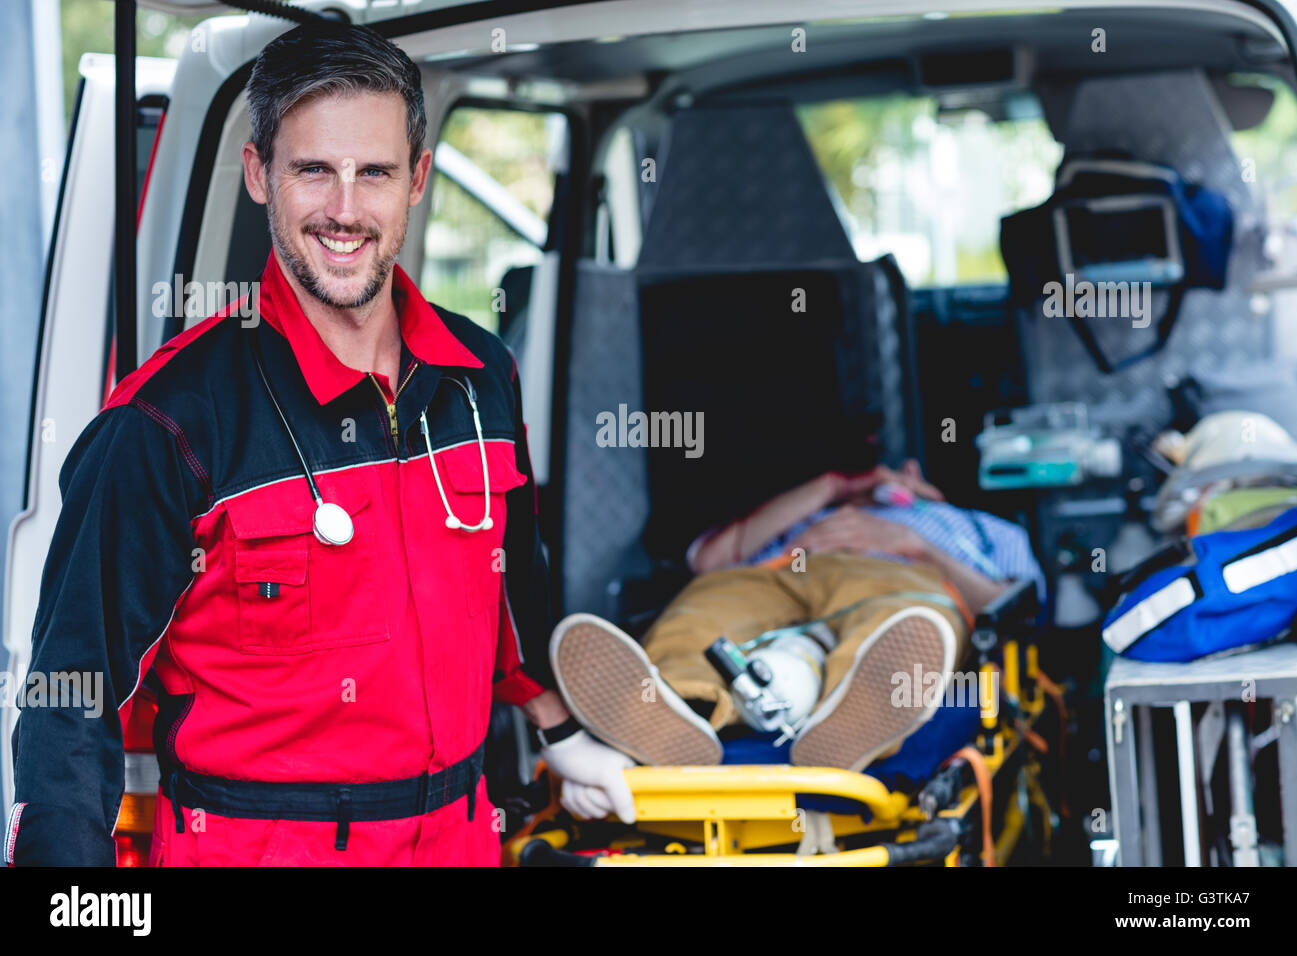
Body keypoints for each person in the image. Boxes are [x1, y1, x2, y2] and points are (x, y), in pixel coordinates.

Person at [6, 22, 632, 867]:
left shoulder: (480, 377)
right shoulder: (167, 424)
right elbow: (70, 700)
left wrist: (556, 729)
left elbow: (512, 582)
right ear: (260, 174)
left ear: (417, 180)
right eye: (313, 170)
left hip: (458, 836)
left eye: (374, 172)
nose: (345, 210)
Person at [547, 461, 1043, 818]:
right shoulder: (807, 512)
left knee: (906, 624)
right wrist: (836, 487)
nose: (896, 471)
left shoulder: (976, 528)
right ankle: (679, 707)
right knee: (699, 615)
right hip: (779, 572)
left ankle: (847, 719)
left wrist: (914, 545)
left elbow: (1018, 603)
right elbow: (708, 559)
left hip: (900, 576)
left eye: (905, 468)